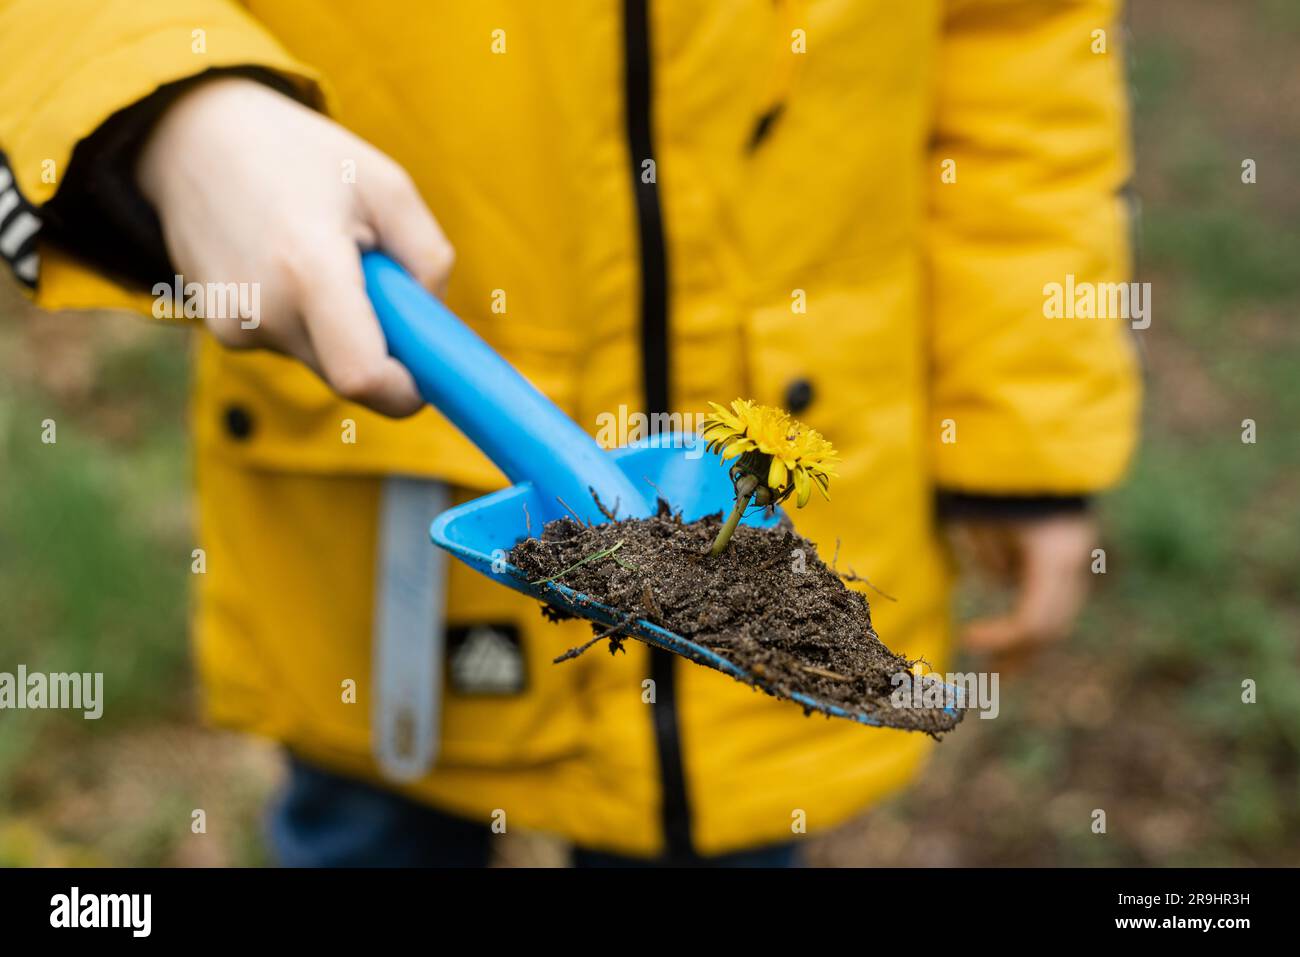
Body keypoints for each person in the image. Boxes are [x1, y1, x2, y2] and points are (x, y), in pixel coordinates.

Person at [0, 0, 1139, 866]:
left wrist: (1020, 420)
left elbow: (1020, 49)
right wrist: (169, 109)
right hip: (377, 512)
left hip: (778, 472)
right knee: (373, 825)